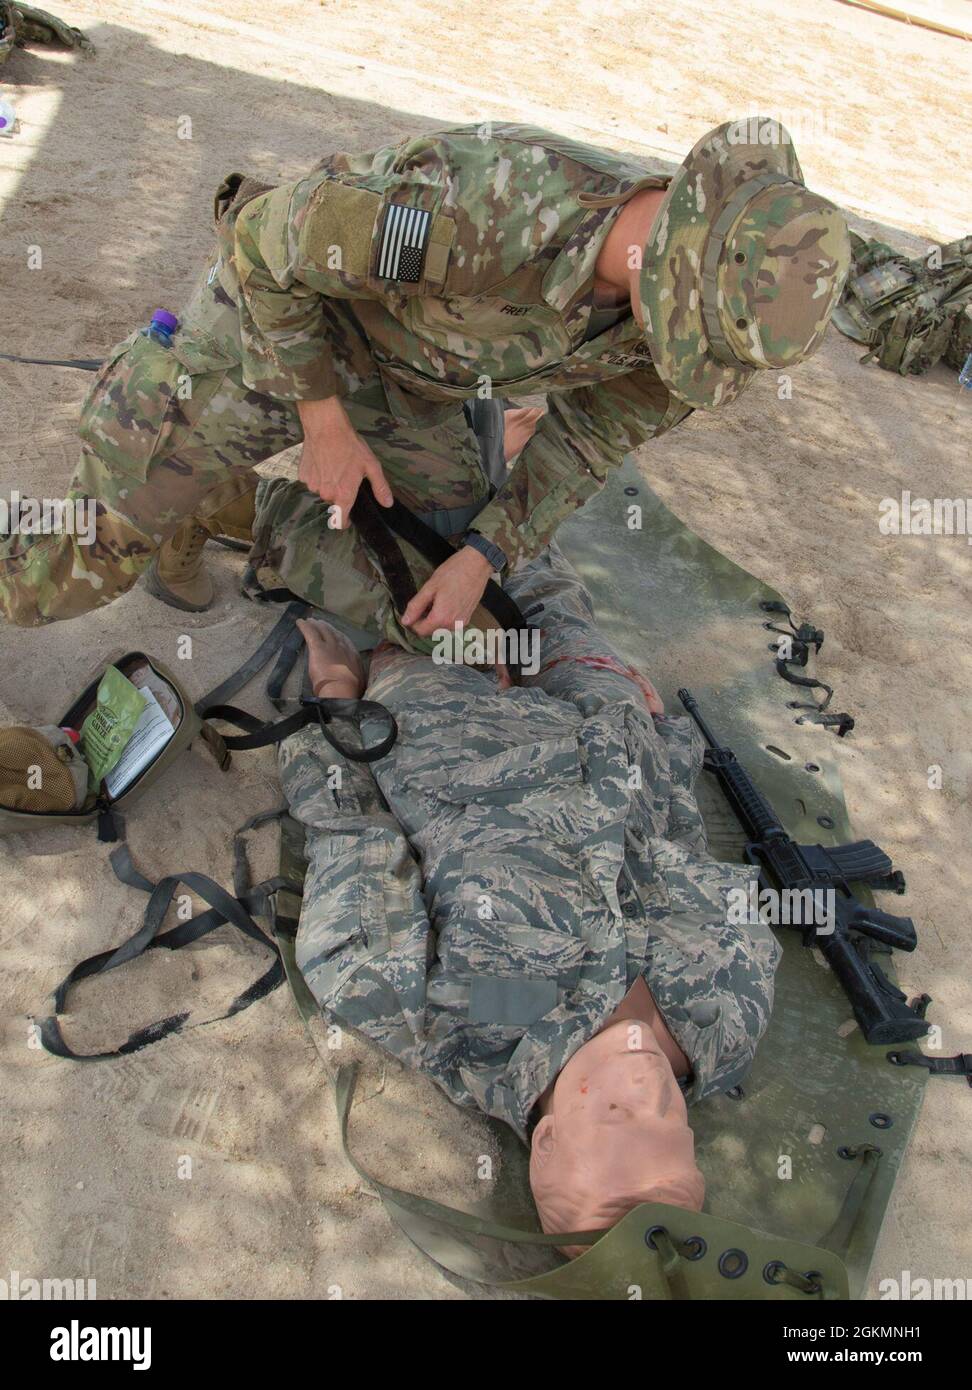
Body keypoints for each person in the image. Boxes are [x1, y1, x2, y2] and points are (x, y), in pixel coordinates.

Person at [0, 118, 850, 638]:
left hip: (414, 387)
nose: (678, 354)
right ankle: (174, 489)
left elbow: (590, 441)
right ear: (665, 257)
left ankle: (229, 508)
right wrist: (325, 425)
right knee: (66, 575)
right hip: (271, 335)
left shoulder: (691, 339)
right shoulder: (483, 203)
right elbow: (261, 242)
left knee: (455, 616)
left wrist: (484, 554)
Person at [282, 545, 781, 1249]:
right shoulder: (725, 1016)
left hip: (446, 722)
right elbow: (685, 855)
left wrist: (336, 701)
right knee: (532, 559)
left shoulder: (447, 1014)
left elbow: (349, 830)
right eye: (672, 1122)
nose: (645, 1089)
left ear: (543, 1143)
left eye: (615, 1114)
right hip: (607, 731)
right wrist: (659, 750)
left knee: (394, 546)